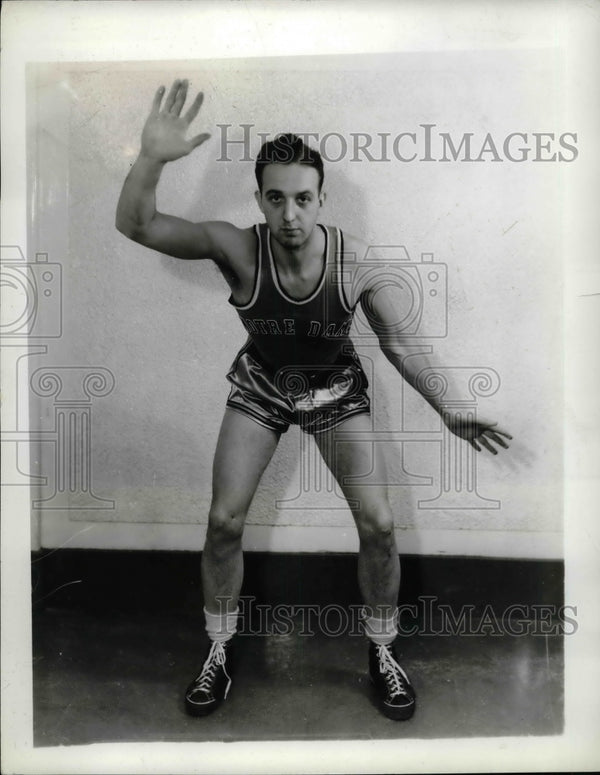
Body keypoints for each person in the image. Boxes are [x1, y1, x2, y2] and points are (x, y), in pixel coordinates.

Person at [116, 79, 512, 722]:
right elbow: (136, 224)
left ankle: (383, 654)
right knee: (224, 521)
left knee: (380, 525)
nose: (290, 215)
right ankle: (219, 651)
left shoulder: (355, 263)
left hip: (335, 392)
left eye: (303, 198)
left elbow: (401, 344)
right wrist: (152, 158)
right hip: (264, 387)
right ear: (261, 201)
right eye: (277, 199)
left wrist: (450, 409)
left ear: (322, 199)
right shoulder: (237, 248)